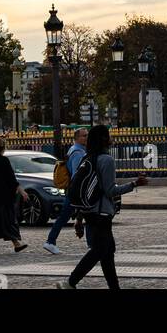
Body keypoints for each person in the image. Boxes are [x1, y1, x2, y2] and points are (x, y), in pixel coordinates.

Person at [57, 123, 145, 291]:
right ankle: (70, 282)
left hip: (90, 212)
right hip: (102, 213)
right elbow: (110, 191)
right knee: (99, 251)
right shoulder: (107, 160)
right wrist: (134, 184)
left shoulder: (88, 158)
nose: (112, 138)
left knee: (107, 253)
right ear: (104, 139)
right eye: (109, 135)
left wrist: (79, 218)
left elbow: (84, 190)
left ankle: (114, 287)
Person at [43, 128, 88, 255]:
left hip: (72, 190)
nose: (86, 138)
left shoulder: (73, 149)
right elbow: (77, 174)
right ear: (77, 138)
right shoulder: (78, 152)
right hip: (76, 190)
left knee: (65, 216)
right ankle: (50, 241)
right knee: (86, 215)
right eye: (84, 136)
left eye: (87, 135)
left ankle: (51, 241)